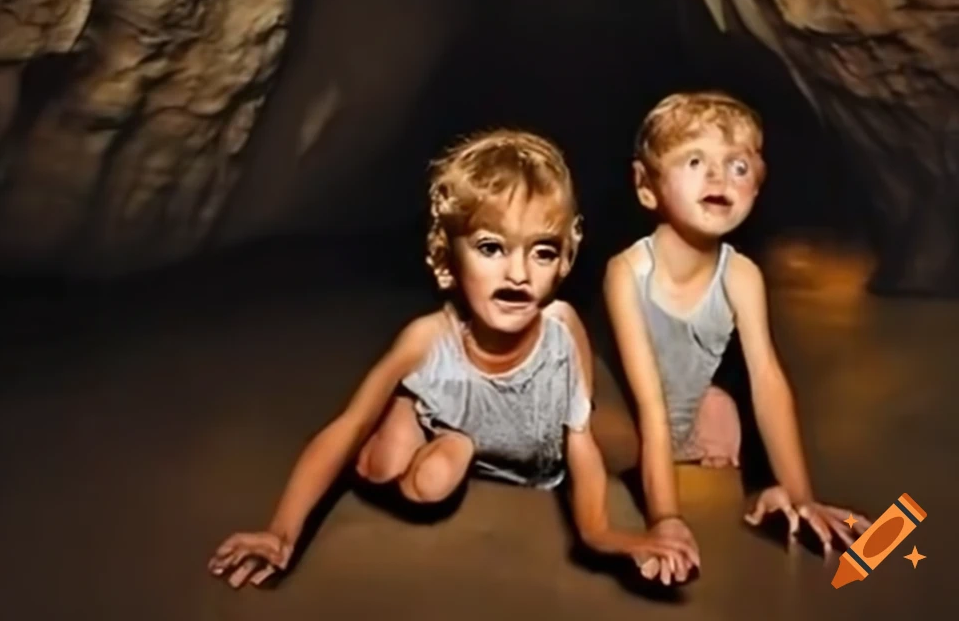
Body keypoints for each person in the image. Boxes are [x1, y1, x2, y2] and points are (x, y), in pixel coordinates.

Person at [209, 129, 697, 589]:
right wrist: (281, 533)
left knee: (621, 444)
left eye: (543, 252)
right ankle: (407, 418)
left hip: (535, 451)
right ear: (446, 261)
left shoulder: (562, 330)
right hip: (460, 423)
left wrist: (606, 536)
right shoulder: (427, 340)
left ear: (565, 261)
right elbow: (348, 425)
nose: (518, 273)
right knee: (423, 478)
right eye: (491, 247)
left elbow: (581, 447)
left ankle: (429, 422)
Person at [601, 92, 870, 584]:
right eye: (695, 161)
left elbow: (767, 381)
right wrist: (666, 519)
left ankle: (762, 494)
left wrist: (801, 495)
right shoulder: (629, 272)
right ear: (646, 186)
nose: (719, 177)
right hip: (635, 418)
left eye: (738, 166)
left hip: (684, 419)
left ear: (756, 188)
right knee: (611, 433)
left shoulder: (741, 275)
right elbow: (650, 403)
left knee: (724, 407)